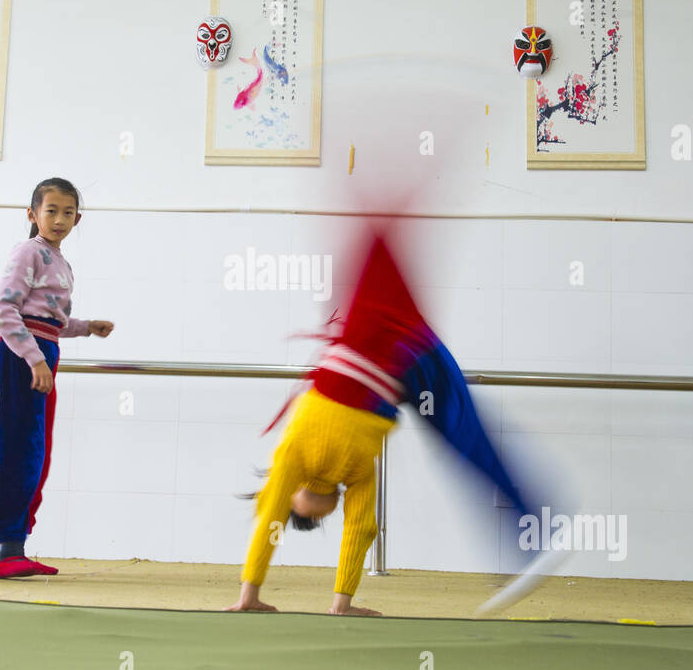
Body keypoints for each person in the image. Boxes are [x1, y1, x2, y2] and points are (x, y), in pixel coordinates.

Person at [226, 229, 547, 616]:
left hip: (380, 341)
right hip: (405, 355)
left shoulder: (292, 460)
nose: (315, 515)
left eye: (303, 516)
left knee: (461, 432)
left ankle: (533, 522)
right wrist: (341, 604)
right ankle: (533, 521)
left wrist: (249, 594)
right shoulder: (356, 474)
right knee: (460, 435)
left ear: (291, 494)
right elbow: (359, 530)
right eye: (317, 520)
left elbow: (269, 518)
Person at [0, 178, 113, 578]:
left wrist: (85, 326)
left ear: (79, 218)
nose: (59, 219)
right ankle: (8, 549)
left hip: (42, 351)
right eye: (51, 211)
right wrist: (34, 360)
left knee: (36, 454)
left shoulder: (57, 259)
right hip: (24, 356)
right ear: (32, 214)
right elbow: (3, 311)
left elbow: (48, 320)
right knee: (21, 450)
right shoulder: (29, 251)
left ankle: (17, 544)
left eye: (68, 213)